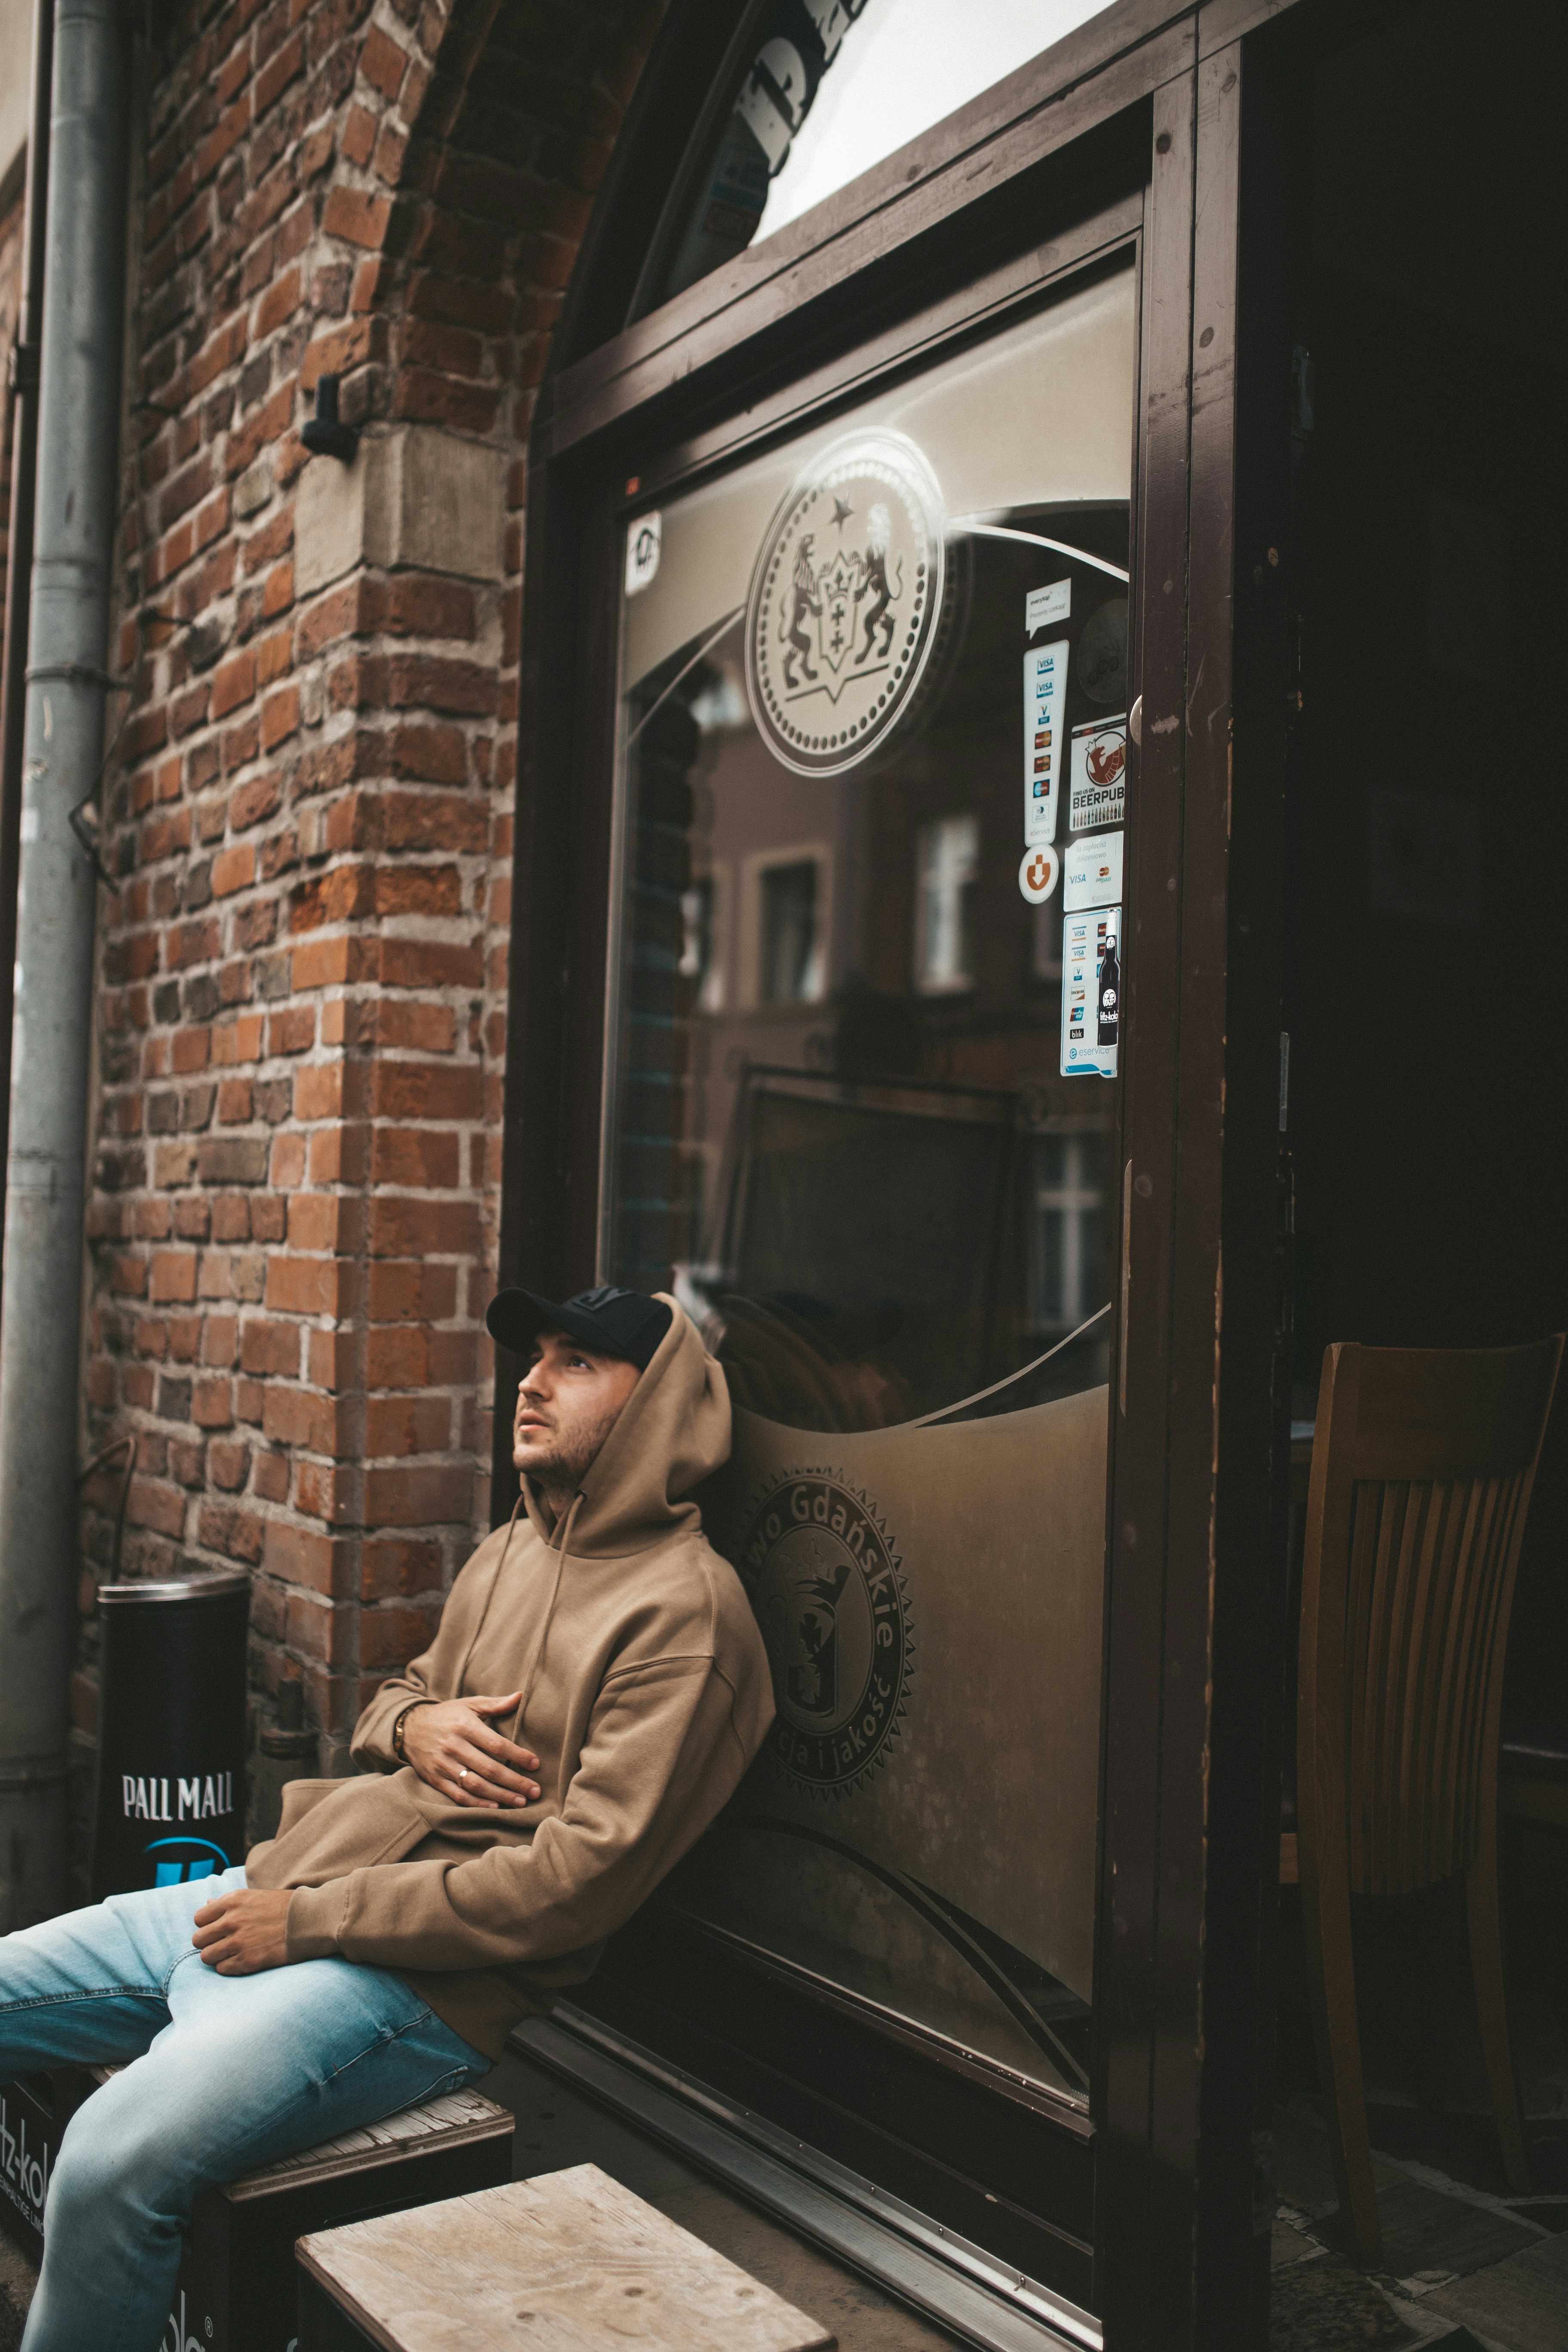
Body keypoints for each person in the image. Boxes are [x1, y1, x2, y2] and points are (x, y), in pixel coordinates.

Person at [0, 1286, 774, 2352]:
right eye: (533, 1356)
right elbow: (392, 1699)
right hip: (272, 1890)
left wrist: (314, 1923)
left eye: (577, 1363)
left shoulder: (690, 1616)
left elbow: (574, 1888)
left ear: (659, 1404)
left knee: (105, 2163)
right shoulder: (513, 1549)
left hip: (402, 1985)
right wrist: (413, 1727)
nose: (532, 1382)